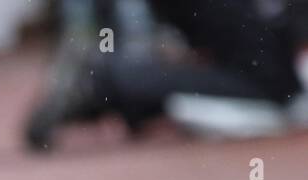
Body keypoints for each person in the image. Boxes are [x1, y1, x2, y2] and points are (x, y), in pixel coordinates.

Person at [25, 0, 308, 150]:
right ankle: (104, 81)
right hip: (263, 71)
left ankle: (115, 87)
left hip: (256, 55)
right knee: (269, 91)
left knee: (265, 86)